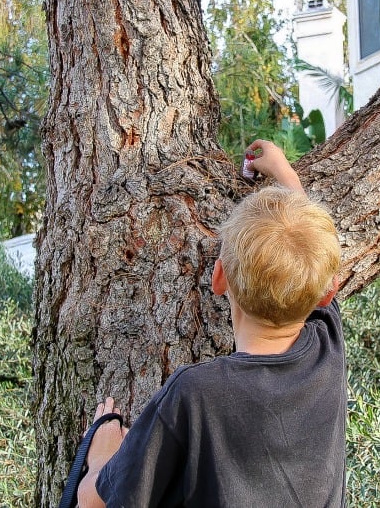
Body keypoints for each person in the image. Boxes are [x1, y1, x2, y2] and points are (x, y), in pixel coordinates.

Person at [77, 139, 346, 507]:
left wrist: (99, 460)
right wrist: (284, 173)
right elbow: (313, 262)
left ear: (218, 278)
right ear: (327, 294)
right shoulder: (327, 350)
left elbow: (95, 502)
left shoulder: (193, 395)